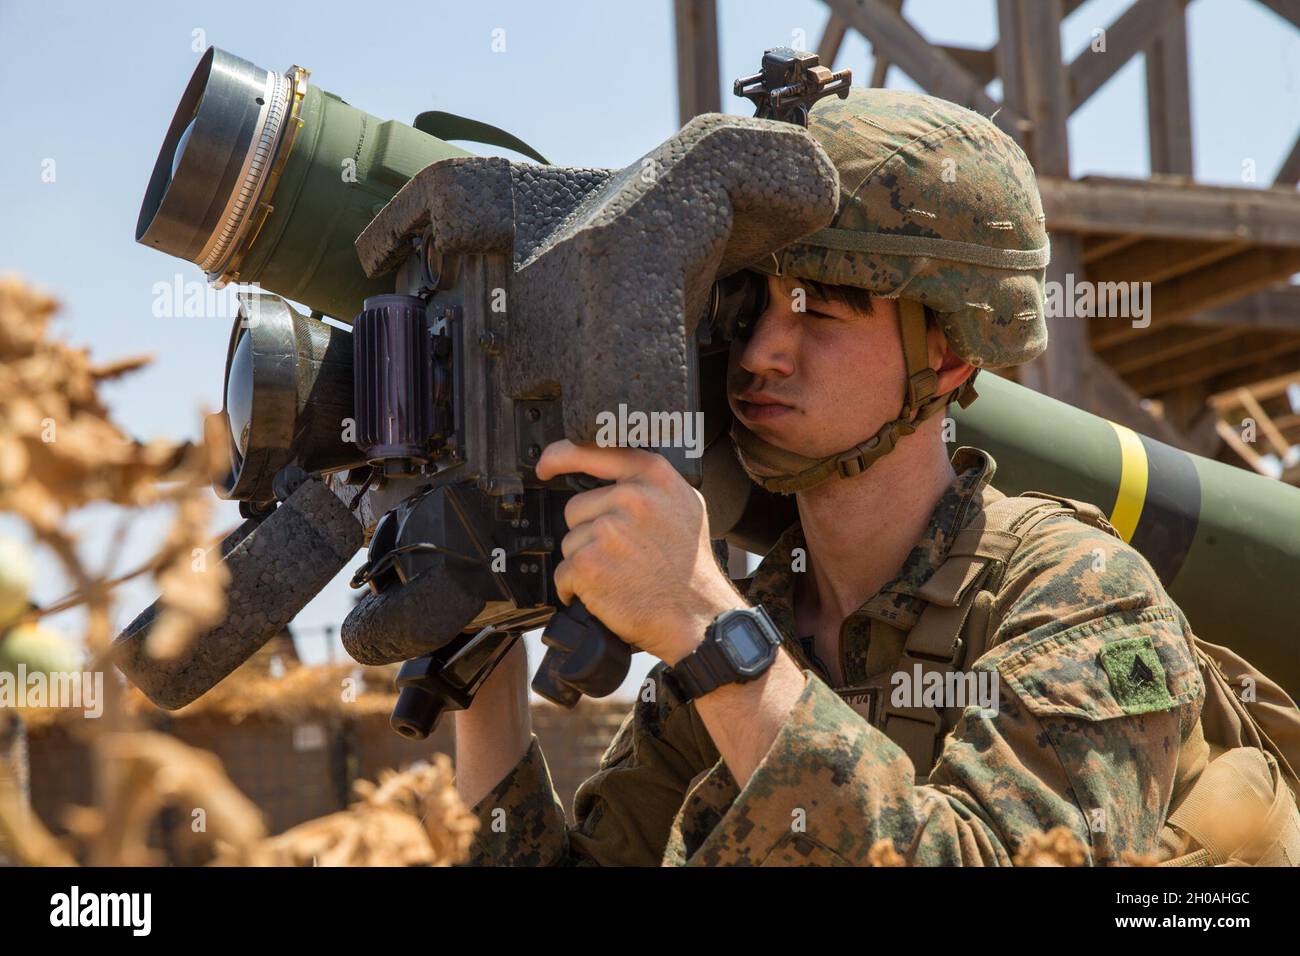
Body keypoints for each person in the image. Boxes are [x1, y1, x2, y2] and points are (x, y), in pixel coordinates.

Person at [452, 87, 1207, 866]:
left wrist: (699, 617)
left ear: (946, 353)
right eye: (753, 308)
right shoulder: (758, 629)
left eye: (818, 312)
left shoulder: (1081, 597)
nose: (760, 353)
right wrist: (481, 665)